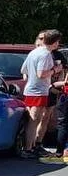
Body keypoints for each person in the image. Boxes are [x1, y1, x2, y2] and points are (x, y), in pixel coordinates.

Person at [20, 29, 61, 157]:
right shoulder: (45, 54)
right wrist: (55, 70)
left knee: (35, 119)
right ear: (54, 42)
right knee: (34, 119)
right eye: (58, 41)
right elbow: (41, 74)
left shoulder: (34, 52)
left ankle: (30, 147)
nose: (58, 44)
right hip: (38, 90)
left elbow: (23, 69)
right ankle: (28, 149)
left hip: (31, 89)